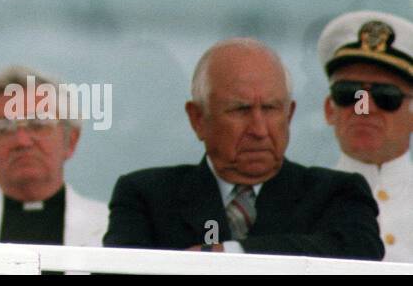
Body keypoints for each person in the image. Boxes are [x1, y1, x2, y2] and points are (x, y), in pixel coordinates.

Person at [104, 38, 383, 259]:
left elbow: (359, 252)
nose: (259, 130)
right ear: (198, 119)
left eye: (271, 109)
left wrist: (231, 254)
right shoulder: (146, 197)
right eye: (240, 109)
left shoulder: (336, 193)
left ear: (290, 114)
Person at [0, 66, 107, 250]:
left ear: (70, 140)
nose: (22, 141)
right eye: (3, 128)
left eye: (38, 124)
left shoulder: (107, 226)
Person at [318, 11, 413, 263]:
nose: (365, 107)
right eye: (348, 92)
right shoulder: (302, 202)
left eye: (386, 96)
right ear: (329, 109)